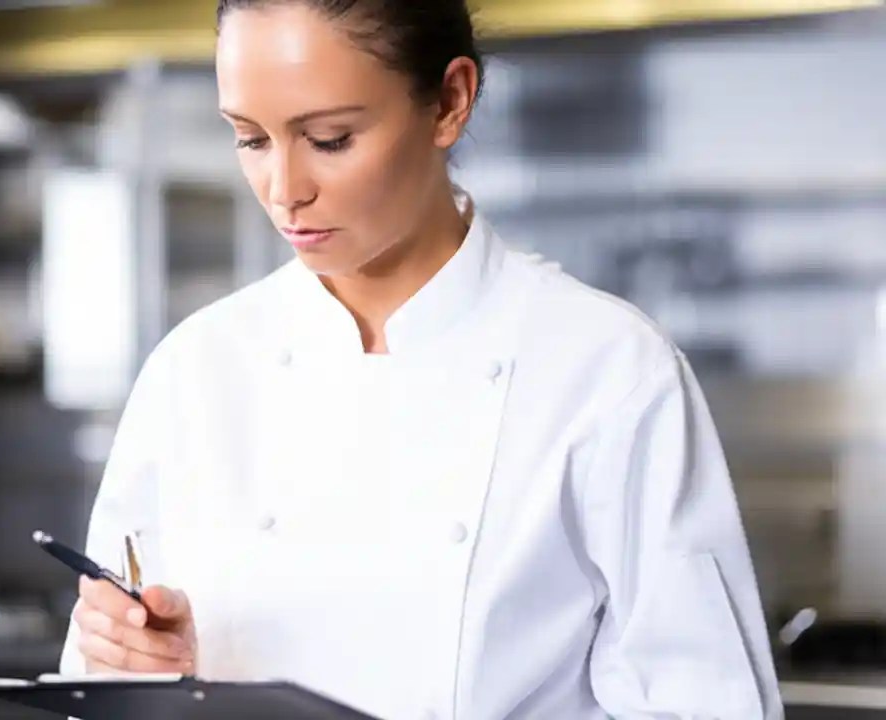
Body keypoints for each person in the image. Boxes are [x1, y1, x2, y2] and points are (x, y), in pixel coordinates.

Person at [58, 0, 783, 717]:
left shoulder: (608, 371)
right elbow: (96, 686)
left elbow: (705, 706)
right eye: (250, 139)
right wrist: (134, 664)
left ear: (449, 101)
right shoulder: (194, 370)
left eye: (331, 138)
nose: (285, 192)